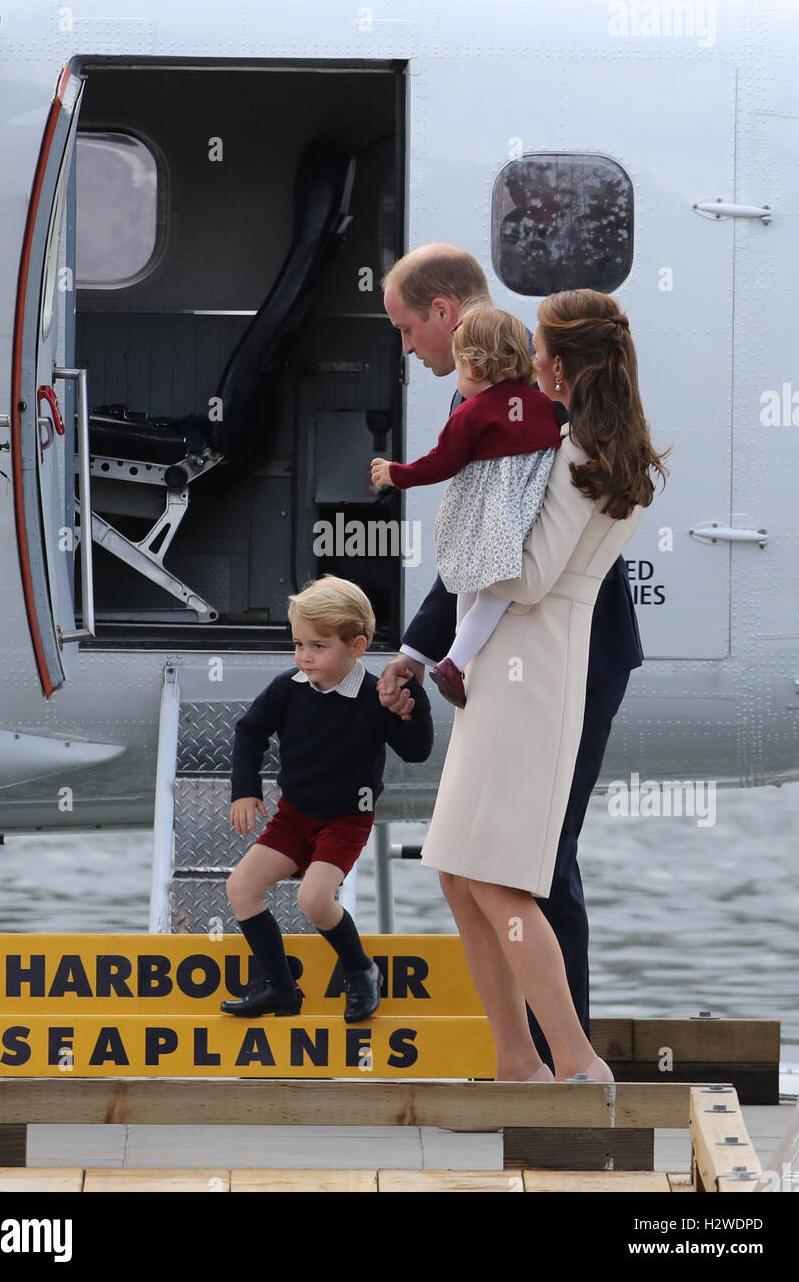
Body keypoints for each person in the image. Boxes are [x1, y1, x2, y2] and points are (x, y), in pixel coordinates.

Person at [378, 242, 645, 1070]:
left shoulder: (566, 446)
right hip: (500, 667)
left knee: (515, 872)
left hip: (544, 663)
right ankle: (517, 1063)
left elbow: (520, 573)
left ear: (559, 367)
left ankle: (570, 1059)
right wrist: (425, 647)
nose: (528, 359)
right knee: (462, 870)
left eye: (539, 350)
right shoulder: (530, 421)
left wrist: (458, 545)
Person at [221, 574, 433, 1022]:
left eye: (318, 646)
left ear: (356, 646)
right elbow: (250, 730)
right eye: (298, 644)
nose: (304, 656)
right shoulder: (288, 687)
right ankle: (280, 987)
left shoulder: (380, 696)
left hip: (345, 820)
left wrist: (414, 700)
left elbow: (417, 753)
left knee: (314, 900)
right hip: (294, 816)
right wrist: (245, 791)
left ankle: (360, 971)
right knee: (241, 888)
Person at [370, 302, 561, 709]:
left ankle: (455, 661)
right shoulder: (547, 406)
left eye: (459, 367)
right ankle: (460, 657)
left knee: (483, 588)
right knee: (490, 589)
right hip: (520, 518)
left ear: (473, 366)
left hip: (479, 516)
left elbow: (440, 463)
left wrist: (395, 474)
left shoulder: (472, 412)